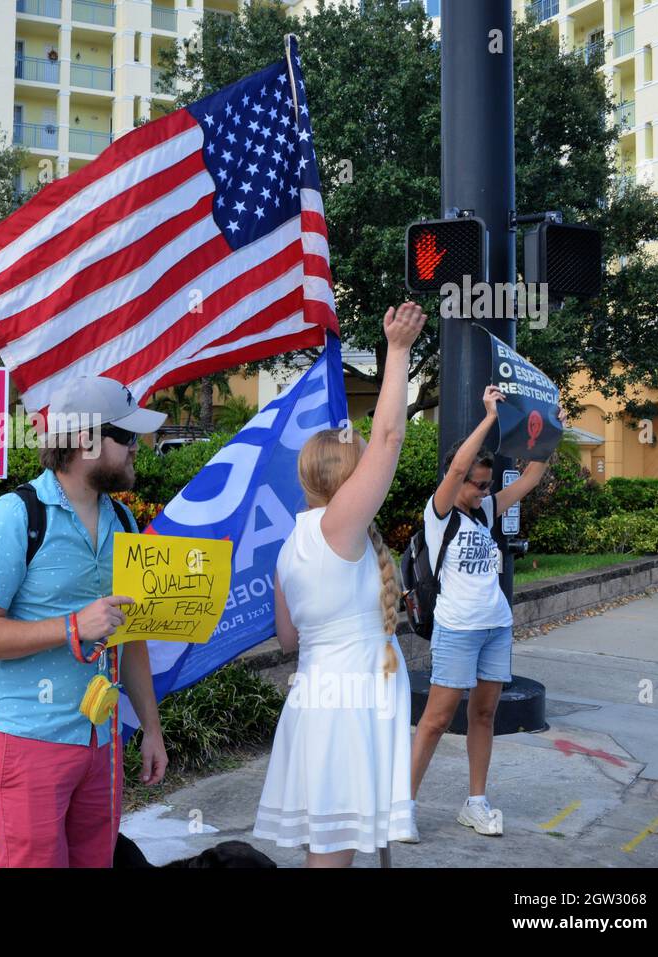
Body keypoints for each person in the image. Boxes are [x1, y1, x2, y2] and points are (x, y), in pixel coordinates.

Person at [0, 375, 169, 868]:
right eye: (128, 437)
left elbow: (129, 634)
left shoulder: (125, 521)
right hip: (30, 738)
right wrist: (72, 626)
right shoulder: (15, 517)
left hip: (101, 738)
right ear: (85, 439)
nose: (139, 447)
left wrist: (152, 730)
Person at [253, 302, 426, 867]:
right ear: (350, 483)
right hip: (348, 710)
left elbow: (287, 641)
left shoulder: (290, 546)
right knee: (331, 858)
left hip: (321, 701)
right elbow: (389, 439)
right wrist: (397, 352)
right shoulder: (339, 530)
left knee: (328, 853)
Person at [409, 387, 569, 838]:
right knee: (437, 719)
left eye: (486, 484)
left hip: (495, 627)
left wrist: (549, 428)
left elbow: (531, 479)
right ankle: (403, 804)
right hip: (457, 628)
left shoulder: (487, 512)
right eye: (476, 484)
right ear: (456, 482)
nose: (483, 491)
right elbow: (460, 462)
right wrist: (489, 416)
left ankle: (475, 802)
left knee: (483, 716)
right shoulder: (440, 514)